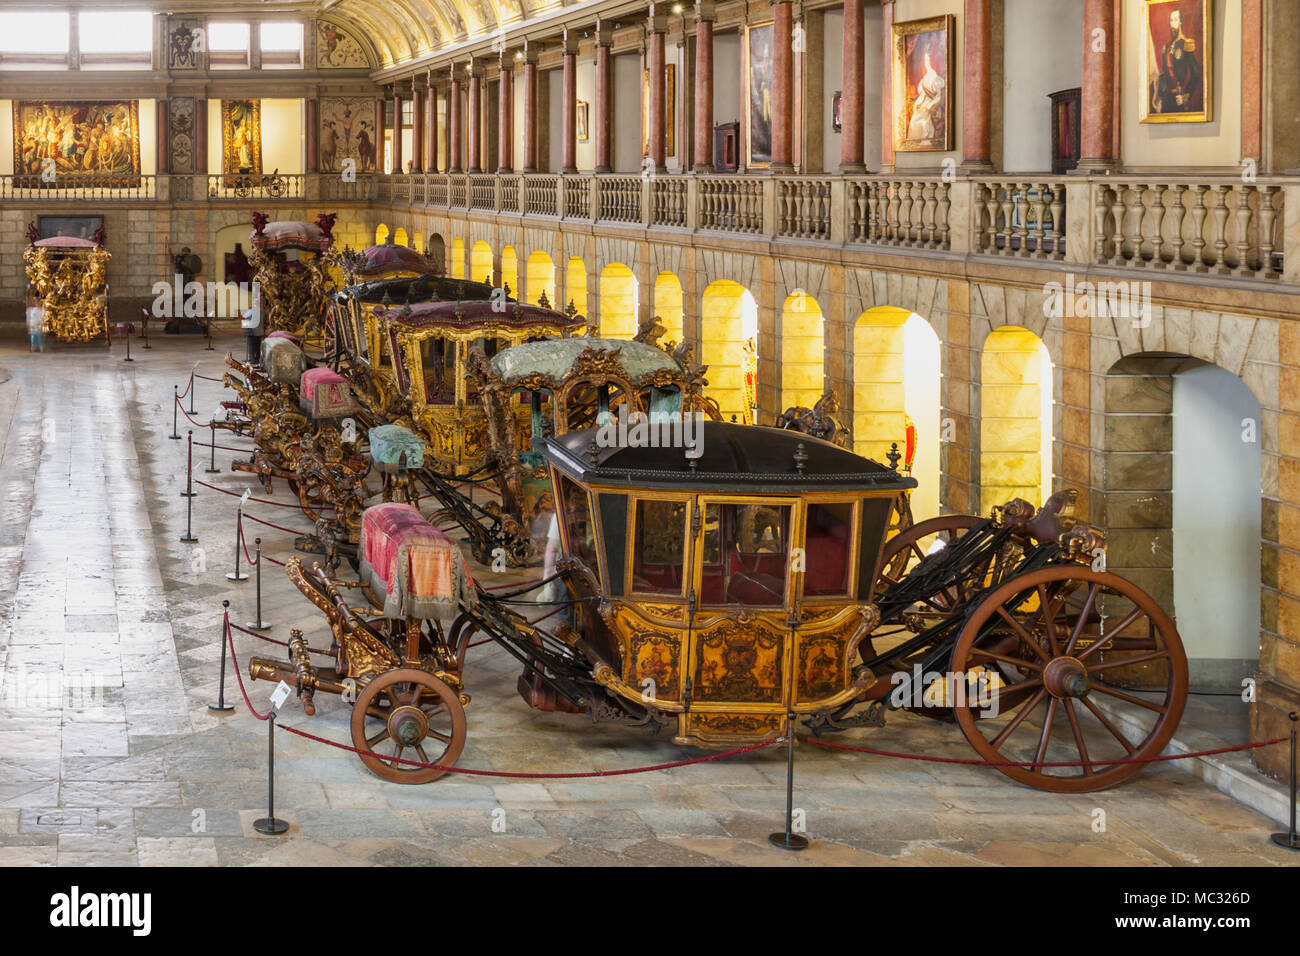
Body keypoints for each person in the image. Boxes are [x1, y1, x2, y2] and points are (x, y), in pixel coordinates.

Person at [1152, 8, 1202, 115]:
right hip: (1166, 100)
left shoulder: (1185, 44)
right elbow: (1164, 75)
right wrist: (1159, 96)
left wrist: (1186, 96)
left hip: (1179, 100)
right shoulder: (1166, 47)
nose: (1172, 23)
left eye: (1175, 20)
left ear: (1180, 22)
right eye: (1171, 20)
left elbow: (1196, 74)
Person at [907, 42, 945, 143]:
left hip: (930, 106)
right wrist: (917, 104)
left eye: (927, 60)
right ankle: (914, 142)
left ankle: (925, 141)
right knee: (914, 121)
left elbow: (938, 96)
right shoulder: (924, 80)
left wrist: (930, 106)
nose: (925, 64)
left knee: (924, 123)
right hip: (921, 105)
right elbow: (921, 94)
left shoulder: (936, 79)